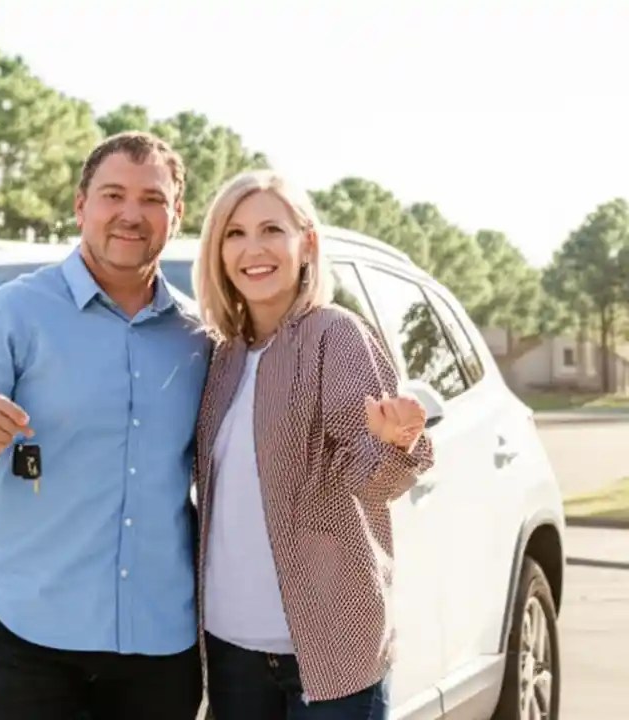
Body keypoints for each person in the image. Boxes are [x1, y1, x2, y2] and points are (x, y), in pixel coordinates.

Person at [0, 131, 211, 720]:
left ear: (176, 214)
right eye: (112, 195)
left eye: (152, 199)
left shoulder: (199, 337)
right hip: (31, 643)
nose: (131, 214)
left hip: (160, 646)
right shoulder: (15, 312)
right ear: (80, 205)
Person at [189, 168, 435, 719]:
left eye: (271, 229)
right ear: (219, 251)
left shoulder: (335, 335)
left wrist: (396, 442)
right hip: (231, 651)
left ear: (307, 243)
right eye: (235, 233)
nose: (253, 248)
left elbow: (373, 482)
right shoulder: (223, 358)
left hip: (329, 652)